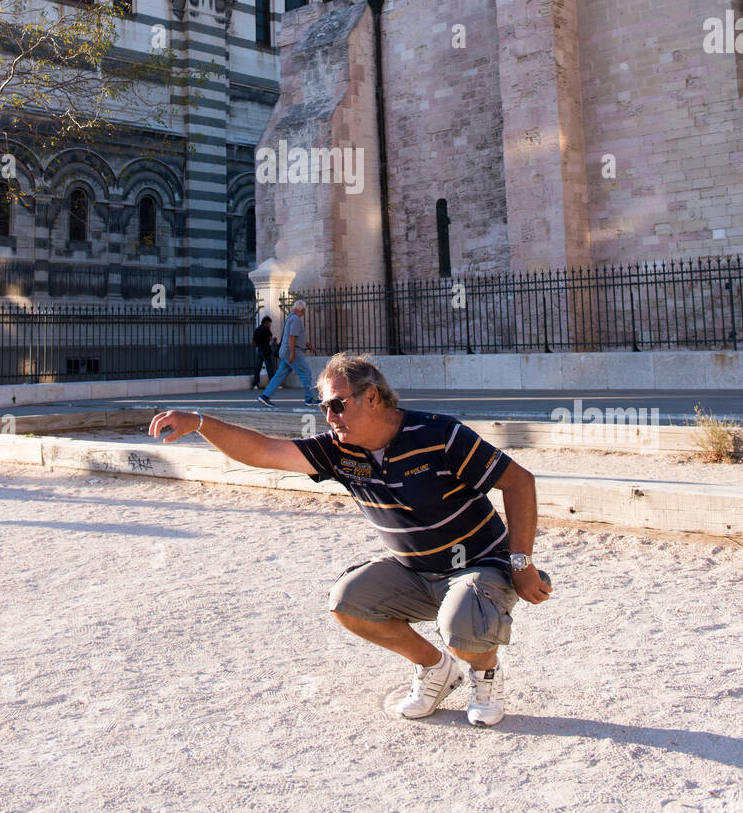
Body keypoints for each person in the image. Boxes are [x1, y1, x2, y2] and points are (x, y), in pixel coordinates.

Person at [148, 353, 552, 726]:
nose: (329, 415)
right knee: (348, 602)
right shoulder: (339, 451)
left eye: (337, 404)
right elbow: (265, 451)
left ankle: (485, 674)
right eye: (323, 406)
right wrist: (199, 422)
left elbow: (519, 481)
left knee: (463, 624)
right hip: (415, 570)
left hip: (479, 567)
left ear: (372, 397)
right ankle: (436, 669)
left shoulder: (439, 435)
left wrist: (522, 564)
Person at [256, 299, 319, 411]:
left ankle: (264, 396)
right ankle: (309, 399)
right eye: (304, 310)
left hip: (285, 351)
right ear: (302, 309)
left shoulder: (290, 317)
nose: (304, 312)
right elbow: (291, 337)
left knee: (279, 375)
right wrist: (292, 354)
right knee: (306, 373)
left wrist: (308, 345)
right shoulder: (295, 320)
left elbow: (296, 337)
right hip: (292, 351)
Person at [251, 315, 277, 390]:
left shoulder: (256, 329)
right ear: (266, 323)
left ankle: (256, 384)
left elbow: (253, 341)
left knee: (257, 368)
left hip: (259, 350)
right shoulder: (266, 329)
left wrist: (258, 344)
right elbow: (271, 338)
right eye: (269, 324)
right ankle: (272, 384)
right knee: (269, 368)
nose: (270, 325)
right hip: (266, 350)